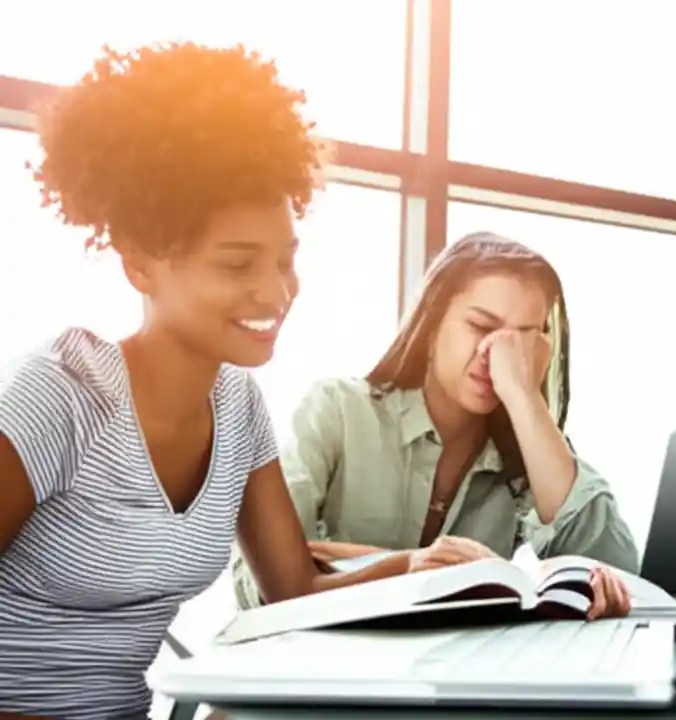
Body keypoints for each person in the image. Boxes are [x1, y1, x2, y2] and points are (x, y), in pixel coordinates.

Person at [0, 43, 453, 719]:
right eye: (238, 264)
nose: (276, 292)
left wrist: (423, 569)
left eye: (284, 260)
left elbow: (291, 591)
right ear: (141, 265)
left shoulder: (238, 407)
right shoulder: (63, 395)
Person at [231, 232, 637, 617]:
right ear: (433, 322)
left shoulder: (528, 458)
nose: (495, 353)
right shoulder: (337, 411)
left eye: (521, 340)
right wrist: (407, 568)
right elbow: (258, 583)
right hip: (316, 678)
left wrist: (525, 397)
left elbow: (616, 569)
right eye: (481, 327)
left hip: (448, 681)